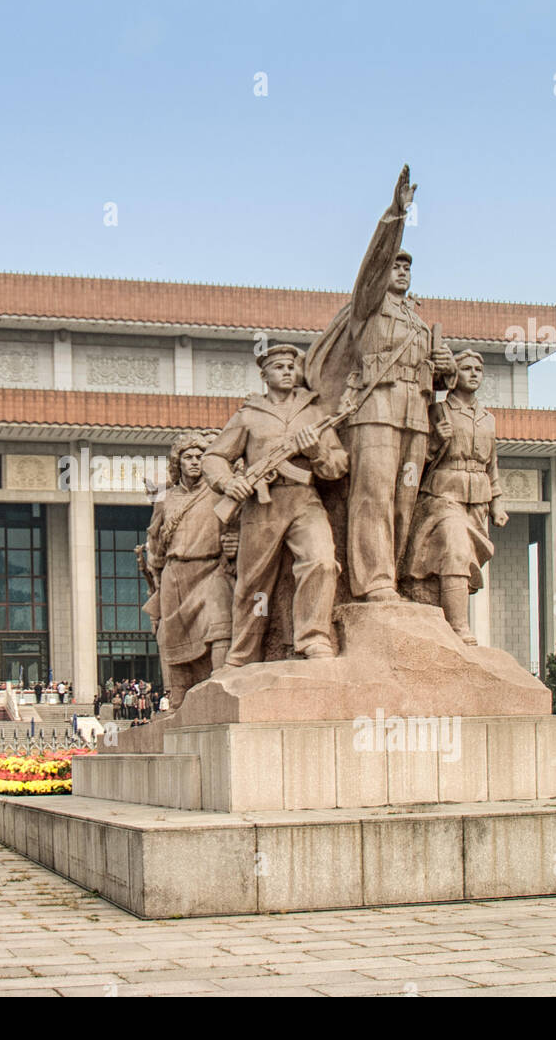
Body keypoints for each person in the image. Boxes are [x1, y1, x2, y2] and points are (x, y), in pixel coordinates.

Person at [305, 165, 456, 601]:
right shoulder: (367, 308)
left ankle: (399, 577)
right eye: (396, 264)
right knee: (371, 497)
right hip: (375, 412)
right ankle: (374, 582)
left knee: (402, 500)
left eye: (408, 266)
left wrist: (441, 366)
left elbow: (434, 378)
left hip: (414, 416)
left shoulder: (418, 321)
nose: (402, 271)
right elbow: (371, 263)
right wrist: (396, 215)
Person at [202, 343, 349, 667]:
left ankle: (314, 638)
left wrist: (316, 454)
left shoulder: (314, 413)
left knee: (322, 561)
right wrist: (229, 482)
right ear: (264, 374)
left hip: (303, 500)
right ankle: (242, 654)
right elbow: (213, 457)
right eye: (279, 366)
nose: (286, 371)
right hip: (262, 506)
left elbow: (338, 465)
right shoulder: (249, 416)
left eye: (290, 366)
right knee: (254, 585)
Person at [398, 350, 508, 644]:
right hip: (443, 493)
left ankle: (449, 621)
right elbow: (410, 462)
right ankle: (459, 628)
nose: (473, 374)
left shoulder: (488, 419)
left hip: (478, 500)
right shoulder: (437, 411)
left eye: (478, 369)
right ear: (452, 375)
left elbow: (492, 465)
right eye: (466, 368)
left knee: (465, 558)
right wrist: (435, 440)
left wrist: (497, 503)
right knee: (456, 549)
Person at [142, 430, 239, 706]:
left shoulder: (219, 491)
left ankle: (221, 689)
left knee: (220, 625)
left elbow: (238, 525)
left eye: (200, 457)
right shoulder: (166, 498)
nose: (195, 462)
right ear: (179, 463)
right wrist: (156, 575)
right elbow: (155, 538)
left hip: (211, 570)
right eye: (188, 457)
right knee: (171, 638)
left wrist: (235, 545)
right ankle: (177, 700)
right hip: (175, 575)